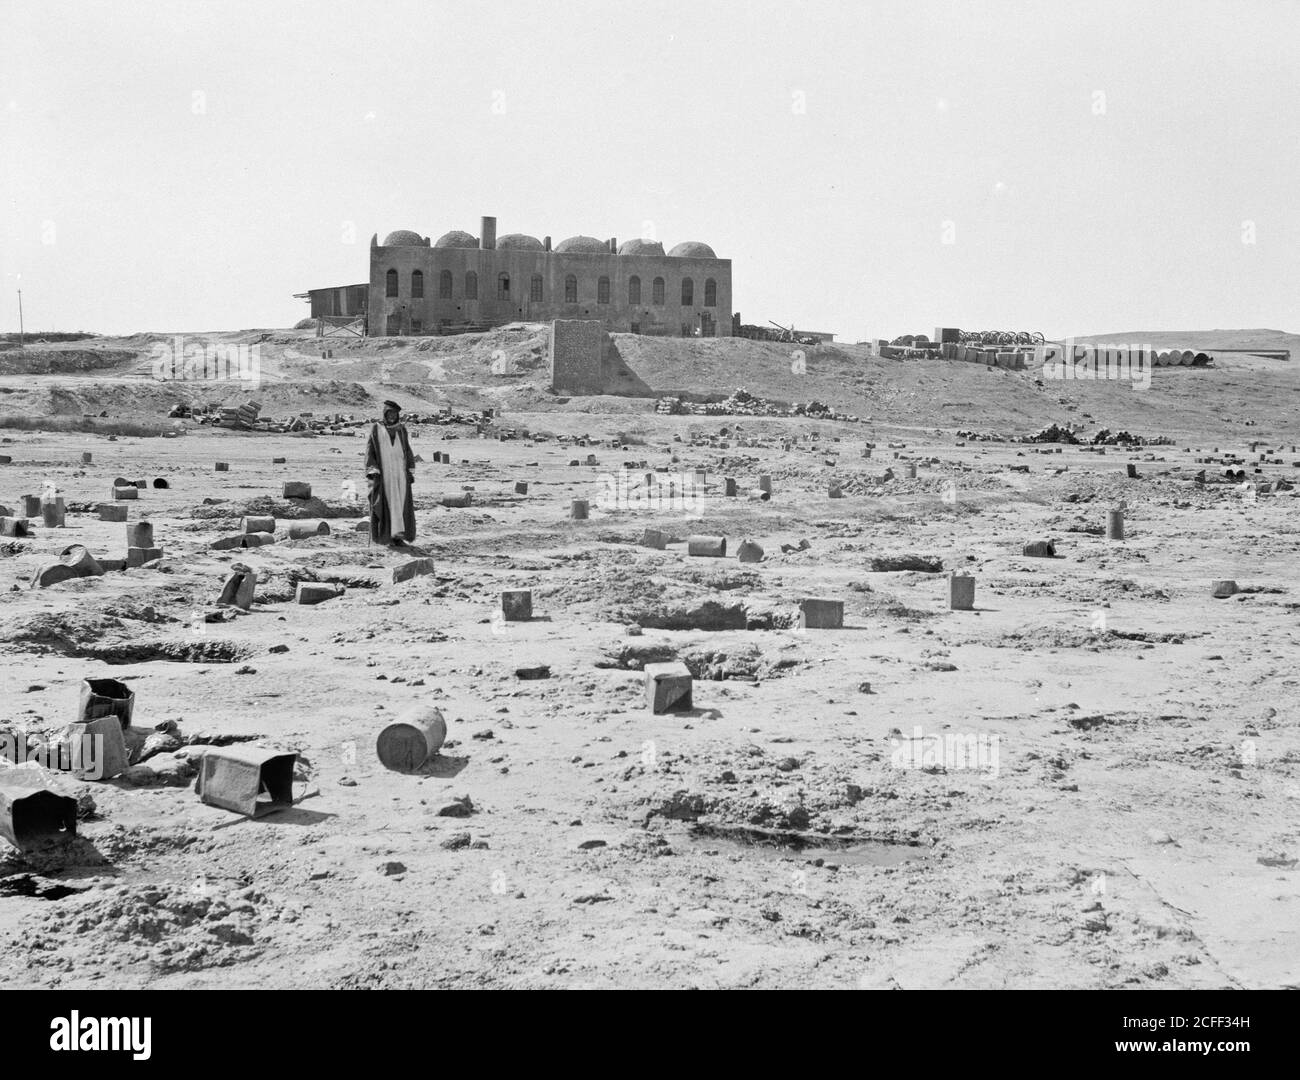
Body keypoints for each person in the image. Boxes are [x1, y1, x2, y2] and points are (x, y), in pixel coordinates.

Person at [365, 400, 416, 546]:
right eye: (390, 414)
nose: (392, 417)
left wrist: (410, 470)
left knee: (400, 504)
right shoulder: (377, 428)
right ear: (385, 414)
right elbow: (370, 450)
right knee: (385, 504)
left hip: (400, 474)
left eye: (395, 414)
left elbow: (407, 450)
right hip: (384, 475)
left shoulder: (401, 430)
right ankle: (387, 537)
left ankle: (398, 537)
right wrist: (372, 468)